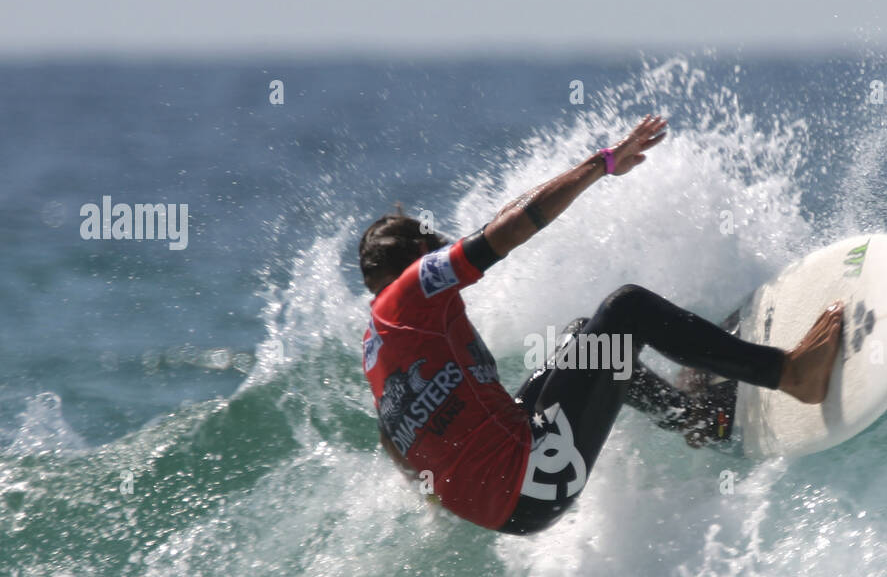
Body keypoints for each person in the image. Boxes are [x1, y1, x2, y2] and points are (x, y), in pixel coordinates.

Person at [359, 115, 843, 535]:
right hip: (534, 479)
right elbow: (507, 228)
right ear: (419, 258)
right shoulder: (414, 287)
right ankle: (792, 375)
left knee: (585, 341)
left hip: (513, 500)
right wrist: (603, 163)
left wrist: (441, 501)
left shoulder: (376, 344)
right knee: (627, 309)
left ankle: (698, 419)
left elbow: (391, 437)